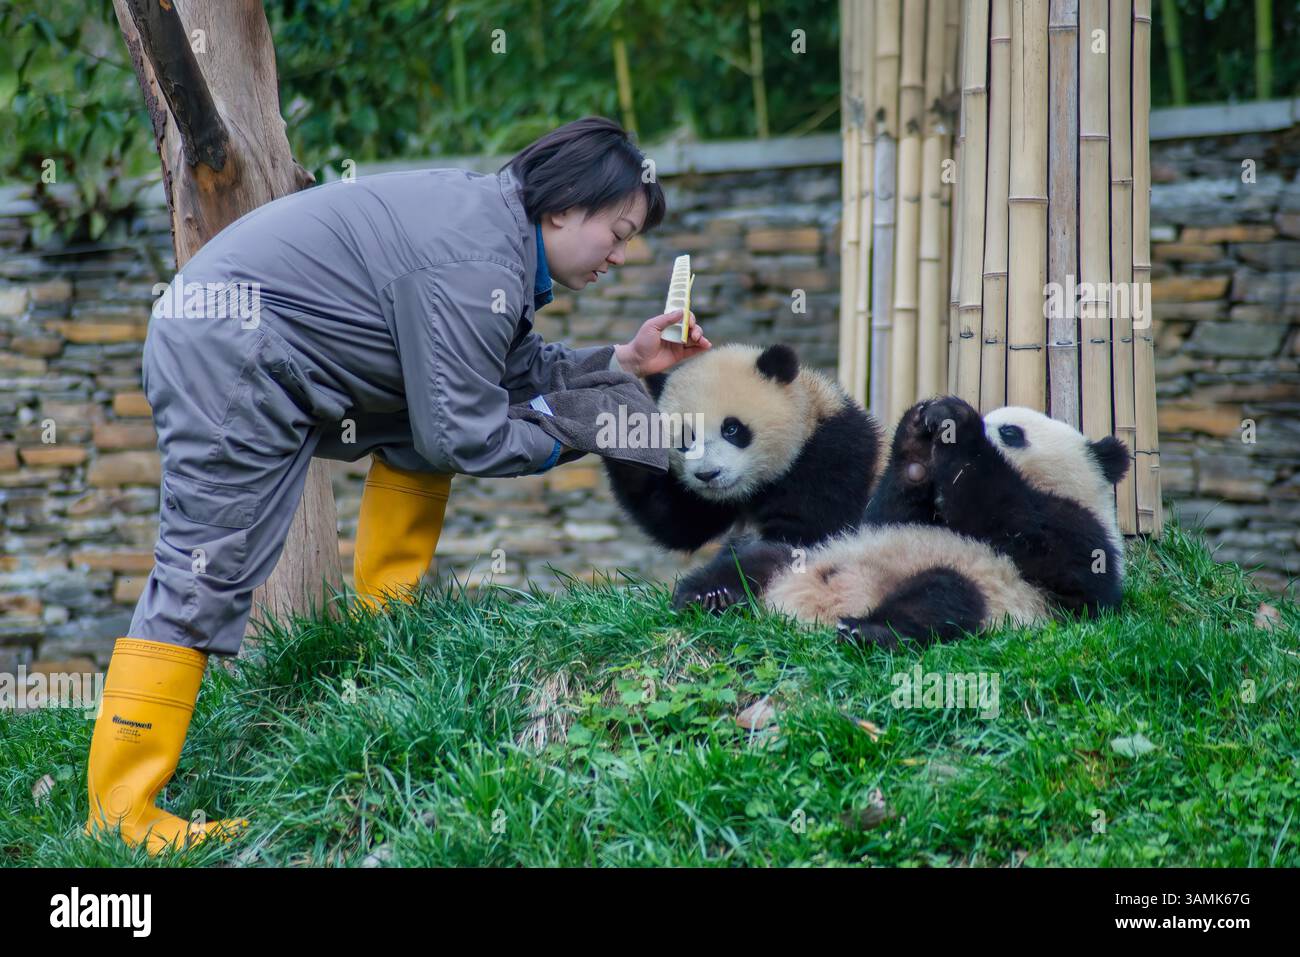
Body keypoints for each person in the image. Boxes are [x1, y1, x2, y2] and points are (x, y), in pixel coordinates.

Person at [84, 116, 710, 854]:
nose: (623, 254)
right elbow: (466, 431)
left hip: (257, 346)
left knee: (417, 431)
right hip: (230, 353)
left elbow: (505, 374)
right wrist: (577, 429)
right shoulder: (479, 258)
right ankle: (122, 816)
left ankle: (382, 639)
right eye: (621, 229)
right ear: (566, 206)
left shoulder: (497, 236)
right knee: (205, 567)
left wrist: (626, 362)